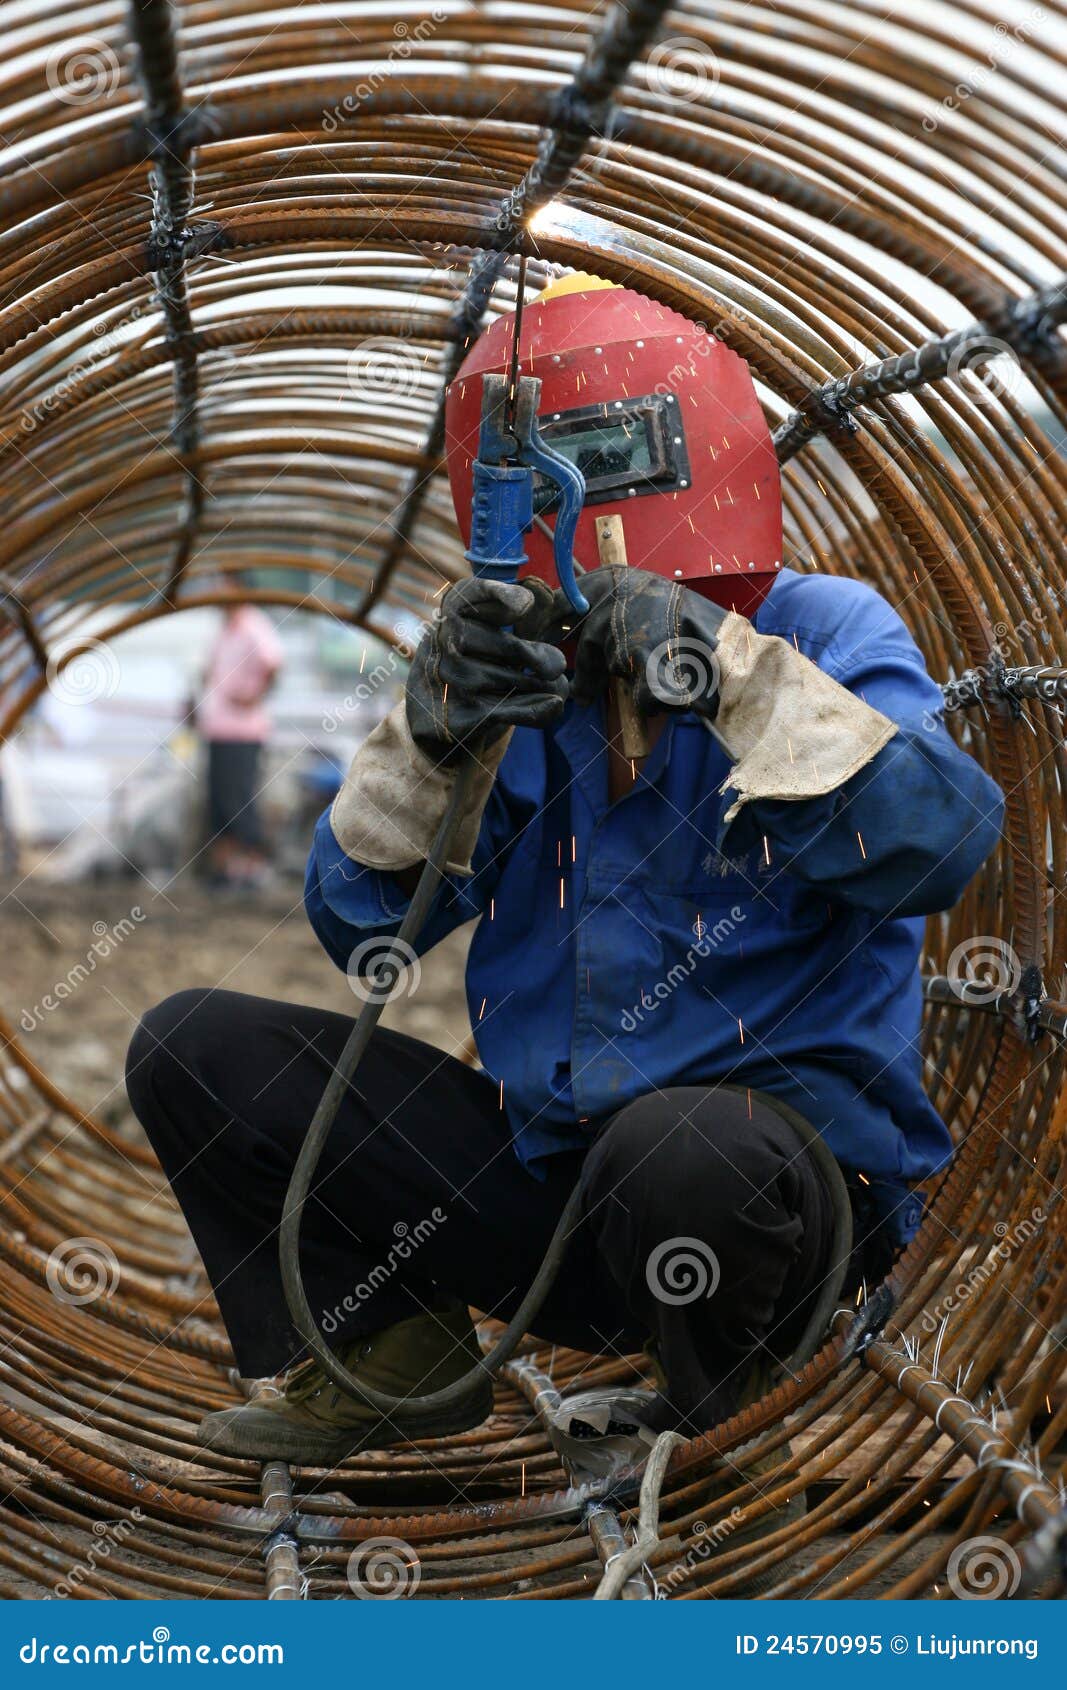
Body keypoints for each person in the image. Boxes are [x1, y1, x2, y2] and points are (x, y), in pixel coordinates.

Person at [126, 276, 1004, 1467]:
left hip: (771, 1205)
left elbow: (937, 844)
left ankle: (725, 1415)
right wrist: (431, 740)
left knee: (678, 1147)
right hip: (565, 1205)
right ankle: (390, 1348)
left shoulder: (823, 632)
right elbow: (360, 926)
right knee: (193, 1044)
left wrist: (726, 674)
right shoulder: (520, 684)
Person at [197, 600, 283, 890]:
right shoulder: (224, 630)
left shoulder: (253, 624)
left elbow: (273, 662)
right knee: (220, 801)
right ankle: (225, 868)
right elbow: (210, 672)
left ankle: (253, 866)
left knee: (240, 799)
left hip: (244, 731)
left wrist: (253, 697)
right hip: (218, 728)